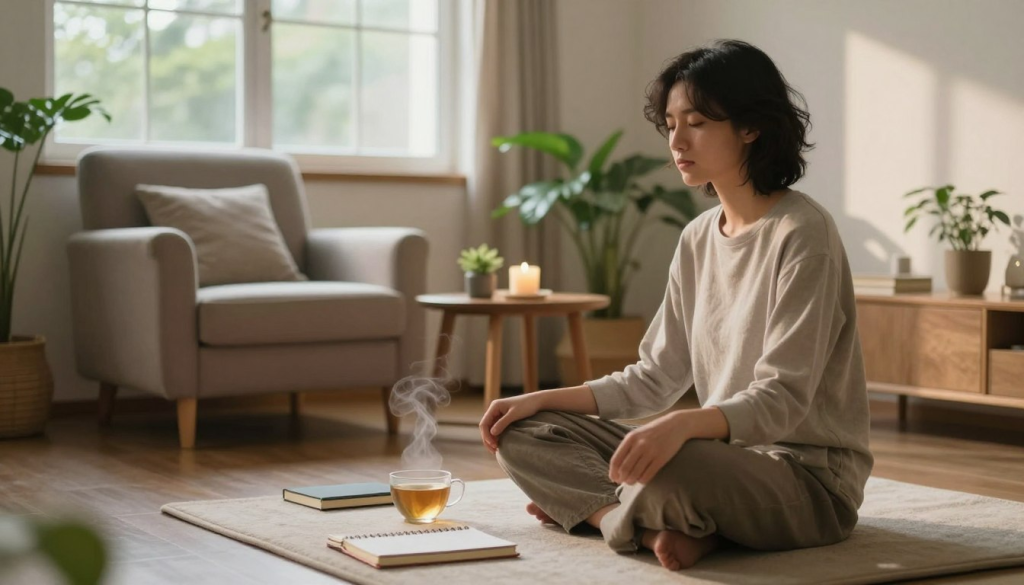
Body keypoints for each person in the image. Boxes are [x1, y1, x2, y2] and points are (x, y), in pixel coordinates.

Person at [478, 39, 873, 571]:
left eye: (697, 123)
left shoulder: (803, 233)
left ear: (751, 127)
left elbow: (783, 398)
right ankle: (646, 522)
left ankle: (602, 514)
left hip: (805, 481)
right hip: (720, 460)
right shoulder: (697, 237)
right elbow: (655, 377)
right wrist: (541, 398)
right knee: (522, 432)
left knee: (673, 462)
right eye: (669, 124)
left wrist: (683, 426)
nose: (677, 141)